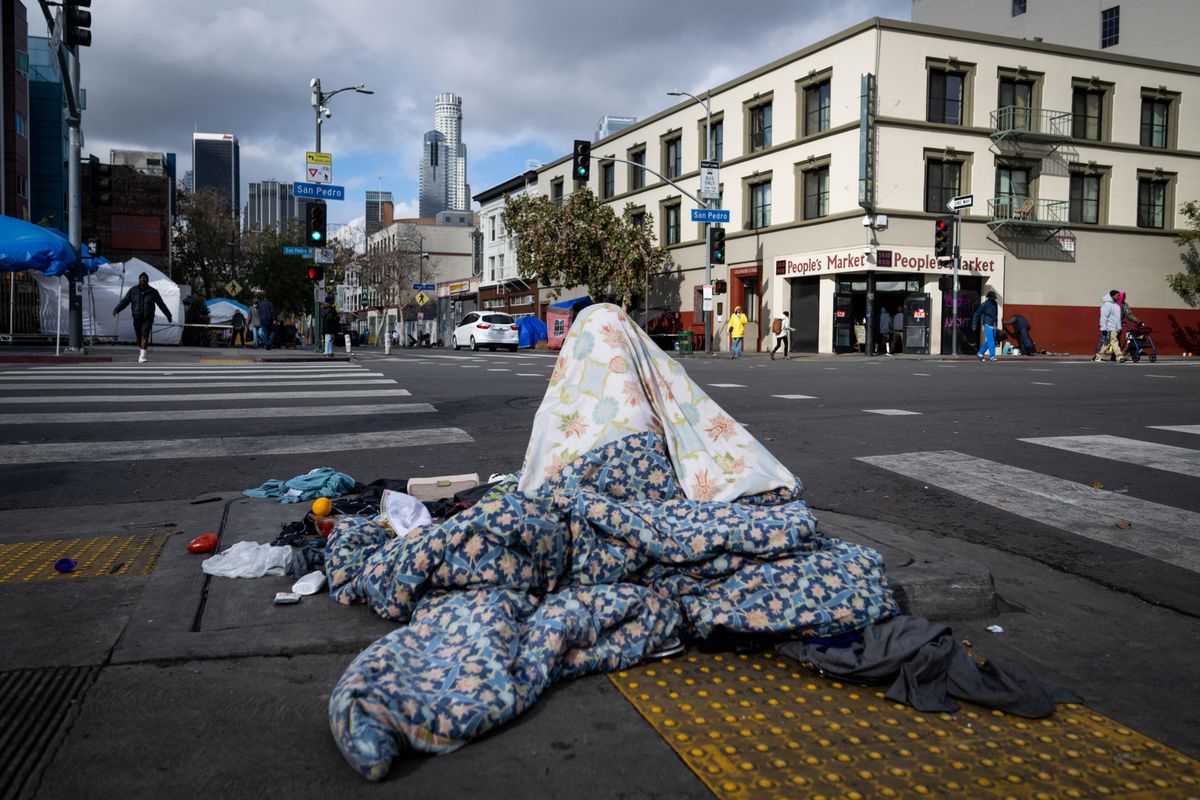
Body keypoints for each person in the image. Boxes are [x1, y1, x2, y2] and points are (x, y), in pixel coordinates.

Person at [112, 272, 173, 363]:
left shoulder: (153, 292)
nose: (142, 280)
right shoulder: (133, 291)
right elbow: (125, 301)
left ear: (148, 280)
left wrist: (168, 315)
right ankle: (142, 351)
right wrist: (117, 309)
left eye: (144, 279)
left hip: (148, 318)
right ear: (138, 280)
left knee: (145, 336)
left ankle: (142, 357)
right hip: (137, 317)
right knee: (139, 338)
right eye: (141, 278)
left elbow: (161, 304)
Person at [1094, 290, 1126, 362]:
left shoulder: (1116, 305)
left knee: (1107, 343)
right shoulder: (1106, 305)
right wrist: (1103, 328)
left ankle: (1098, 356)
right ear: (1113, 296)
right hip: (1110, 328)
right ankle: (1119, 356)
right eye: (1118, 295)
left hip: (1115, 328)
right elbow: (1103, 317)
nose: (1119, 297)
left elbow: (1117, 318)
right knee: (1114, 342)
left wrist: (1119, 328)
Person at [972, 291, 999, 362]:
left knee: (991, 340)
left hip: (994, 324)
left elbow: (996, 314)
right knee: (991, 340)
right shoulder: (984, 305)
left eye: (994, 297)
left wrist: (996, 323)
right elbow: (976, 314)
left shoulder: (995, 303)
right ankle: (992, 356)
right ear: (988, 297)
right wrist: (974, 324)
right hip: (987, 323)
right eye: (992, 297)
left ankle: (980, 353)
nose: (993, 299)